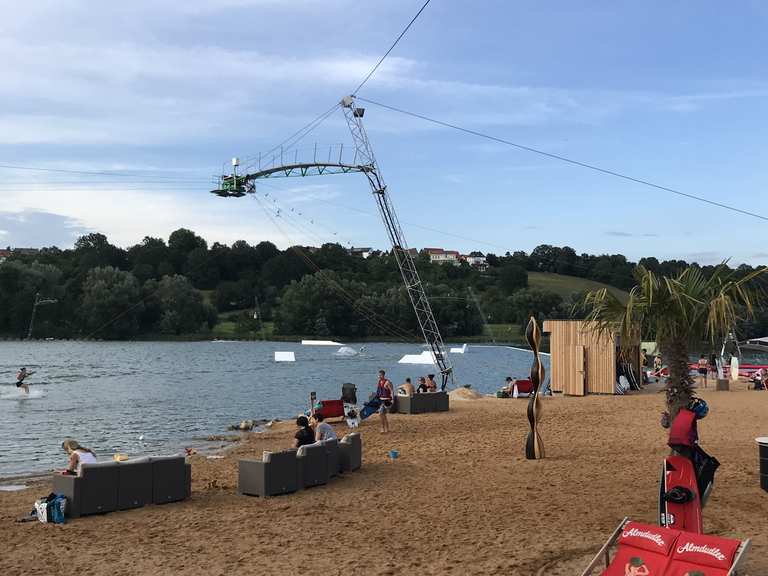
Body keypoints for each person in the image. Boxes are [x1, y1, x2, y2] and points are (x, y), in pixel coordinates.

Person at [376, 369, 394, 433]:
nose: (379, 376)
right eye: (379, 375)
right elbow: (378, 392)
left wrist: (392, 399)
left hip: (386, 400)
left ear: (383, 375)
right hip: (381, 400)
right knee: (383, 415)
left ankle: (383, 428)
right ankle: (386, 428)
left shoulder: (387, 382)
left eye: (380, 375)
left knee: (381, 414)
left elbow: (391, 390)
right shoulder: (379, 382)